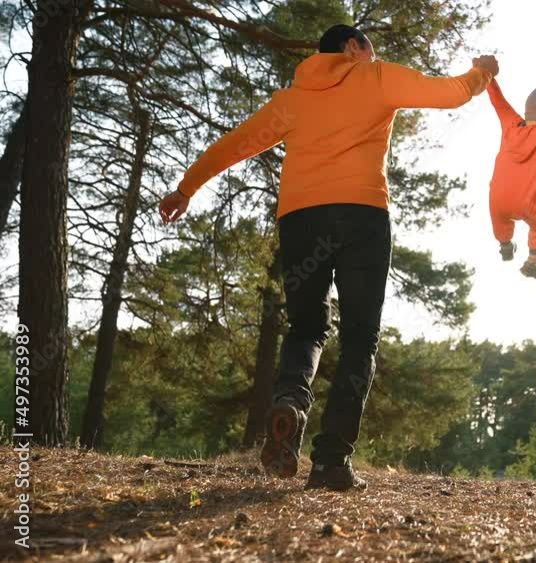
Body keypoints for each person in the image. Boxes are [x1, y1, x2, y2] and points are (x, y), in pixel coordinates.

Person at [158, 24, 499, 491]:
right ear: (352, 47)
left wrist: (186, 188)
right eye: (369, 48)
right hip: (362, 215)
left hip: (300, 220)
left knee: (305, 328)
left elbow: (237, 143)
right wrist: (481, 72)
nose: (372, 55)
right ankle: (330, 462)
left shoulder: (292, 99)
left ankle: (290, 402)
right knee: (359, 337)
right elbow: (452, 93)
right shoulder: (376, 77)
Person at [485, 77, 536, 279]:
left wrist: (487, 75)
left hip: (501, 200)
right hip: (534, 206)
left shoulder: (510, 124)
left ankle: (505, 245)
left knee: (498, 216)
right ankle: (532, 262)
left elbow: (498, 101)